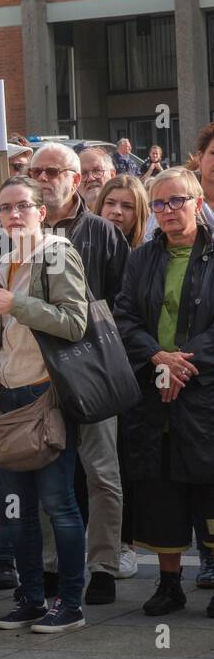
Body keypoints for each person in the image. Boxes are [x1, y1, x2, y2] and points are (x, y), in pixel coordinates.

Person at [0, 175, 91, 632]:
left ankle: (72, 603)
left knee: (59, 503)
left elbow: (74, 323)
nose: (14, 214)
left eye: (23, 206)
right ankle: (32, 598)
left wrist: (14, 304)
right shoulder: (3, 262)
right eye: (5, 208)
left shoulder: (57, 254)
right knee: (15, 508)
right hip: (11, 395)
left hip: (48, 394)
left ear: (43, 212)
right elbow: (4, 336)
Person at [32, 141, 130, 604]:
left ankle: (104, 566)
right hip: (36, 372)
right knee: (47, 468)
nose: (45, 179)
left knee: (101, 471)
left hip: (92, 368)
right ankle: (53, 565)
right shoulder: (16, 230)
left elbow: (122, 303)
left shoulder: (102, 232)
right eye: (37, 171)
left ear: (75, 179)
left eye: (54, 171)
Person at [114, 168, 214, 617]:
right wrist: (159, 357)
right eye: (159, 204)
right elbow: (124, 317)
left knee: (208, 486)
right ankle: (169, 582)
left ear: (197, 202)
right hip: (154, 388)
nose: (168, 211)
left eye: (177, 202)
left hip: (205, 387)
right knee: (160, 487)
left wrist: (184, 361)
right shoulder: (142, 258)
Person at [95, 174, 149, 250]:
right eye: (110, 203)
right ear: (101, 206)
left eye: (127, 206)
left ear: (140, 213)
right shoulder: (80, 244)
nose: (117, 211)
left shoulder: (148, 255)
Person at [77, 146, 115, 211]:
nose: (90, 178)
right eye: (83, 173)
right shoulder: (69, 218)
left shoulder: (128, 212)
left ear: (112, 175)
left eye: (97, 171)